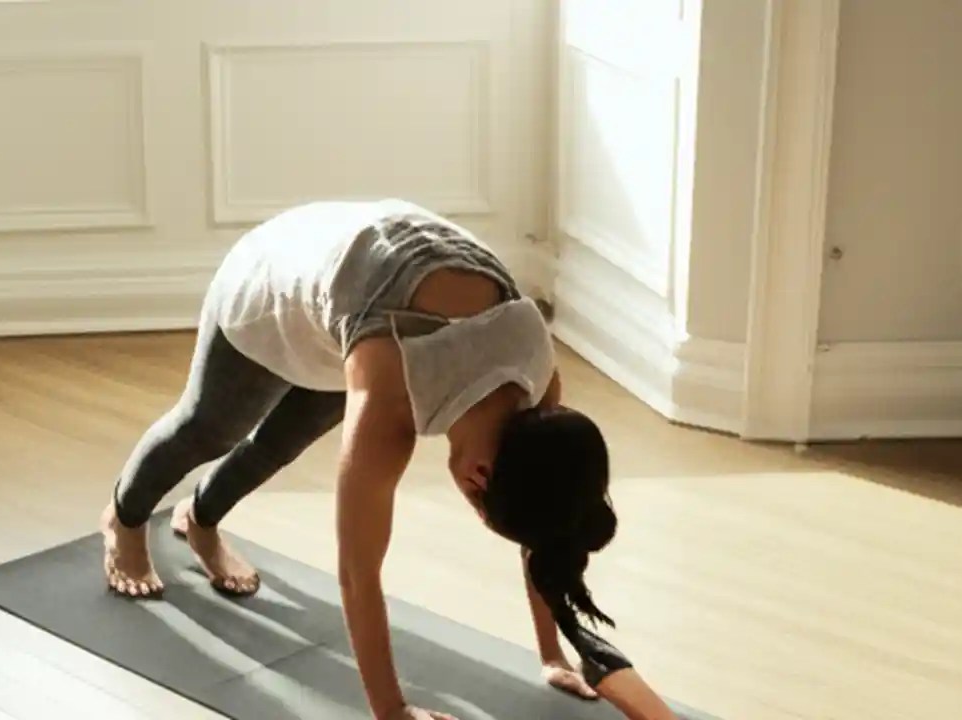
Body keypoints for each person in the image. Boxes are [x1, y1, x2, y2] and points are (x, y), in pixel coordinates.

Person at [100, 198, 679, 720]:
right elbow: (358, 572)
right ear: (480, 480)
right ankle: (123, 519)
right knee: (208, 430)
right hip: (273, 282)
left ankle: (199, 519)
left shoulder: (536, 387)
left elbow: (544, 525)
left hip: (358, 303)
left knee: (280, 444)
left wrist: (552, 654)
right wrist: (392, 712)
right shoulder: (390, 398)